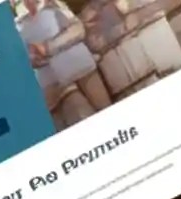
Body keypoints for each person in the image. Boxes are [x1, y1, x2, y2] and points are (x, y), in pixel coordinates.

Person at [15, 0, 113, 130]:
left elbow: (78, 30)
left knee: (106, 112)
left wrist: (49, 47)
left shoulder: (53, 5)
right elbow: (24, 55)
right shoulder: (19, 25)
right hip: (58, 84)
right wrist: (33, 59)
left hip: (82, 67)